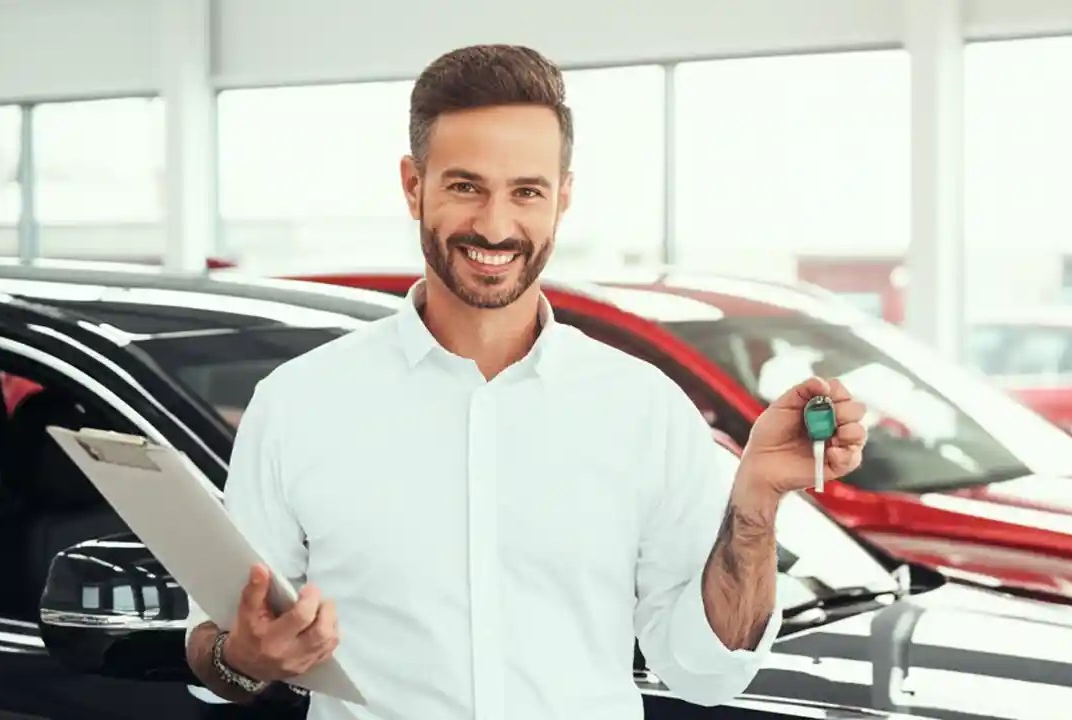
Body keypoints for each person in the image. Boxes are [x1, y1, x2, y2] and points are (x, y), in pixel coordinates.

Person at [184, 44, 867, 720]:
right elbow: (213, 656)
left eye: (526, 192)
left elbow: (706, 673)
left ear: (562, 197)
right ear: (413, 185)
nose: (495, 224)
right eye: (465, 186)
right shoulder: (299, 405)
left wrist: (755, 505)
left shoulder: (642, 409)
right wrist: (244, 659)